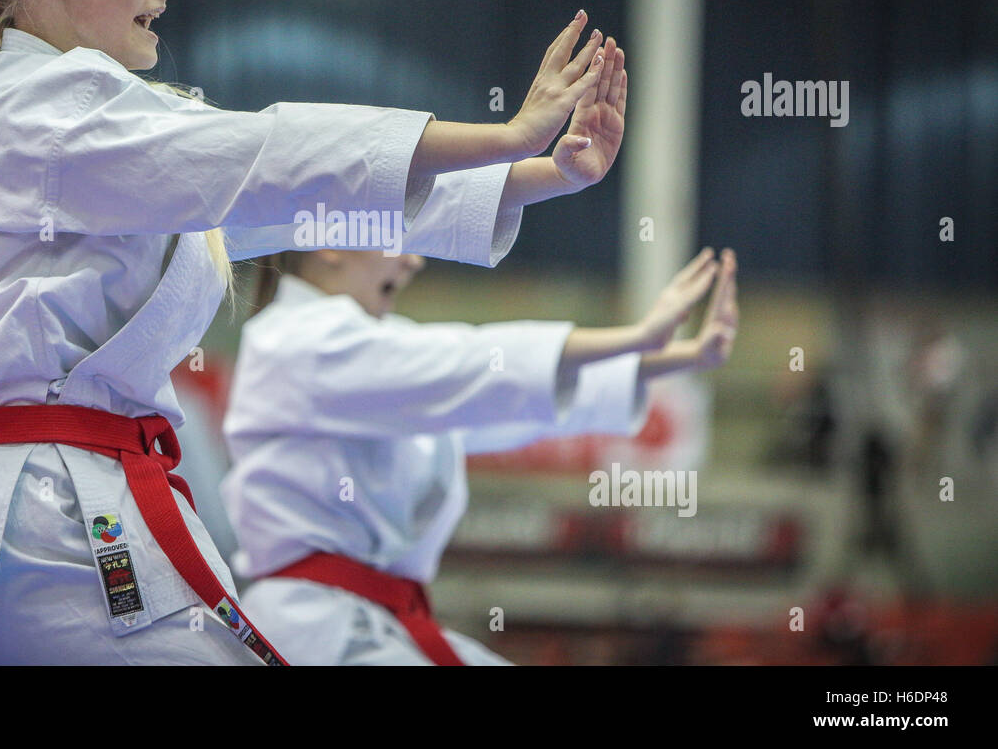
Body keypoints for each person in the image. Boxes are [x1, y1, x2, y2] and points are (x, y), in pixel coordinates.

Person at [0, 0, 627, 665]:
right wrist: (507, 137)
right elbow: (272, 154)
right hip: (58, 522)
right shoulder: (46, 110)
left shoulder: (87, 126)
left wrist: (542, 175)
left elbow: (296, 200)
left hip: (62, 519)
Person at [220, 247, 738, 665]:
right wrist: (634, 339)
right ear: (331, 244)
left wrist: (673, 358)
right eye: (397, 240)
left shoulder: (381, 348)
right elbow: (470, 364)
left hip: (370, 622)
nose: (413, 261)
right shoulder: (294, 344)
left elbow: (504, 402)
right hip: (312, 633)